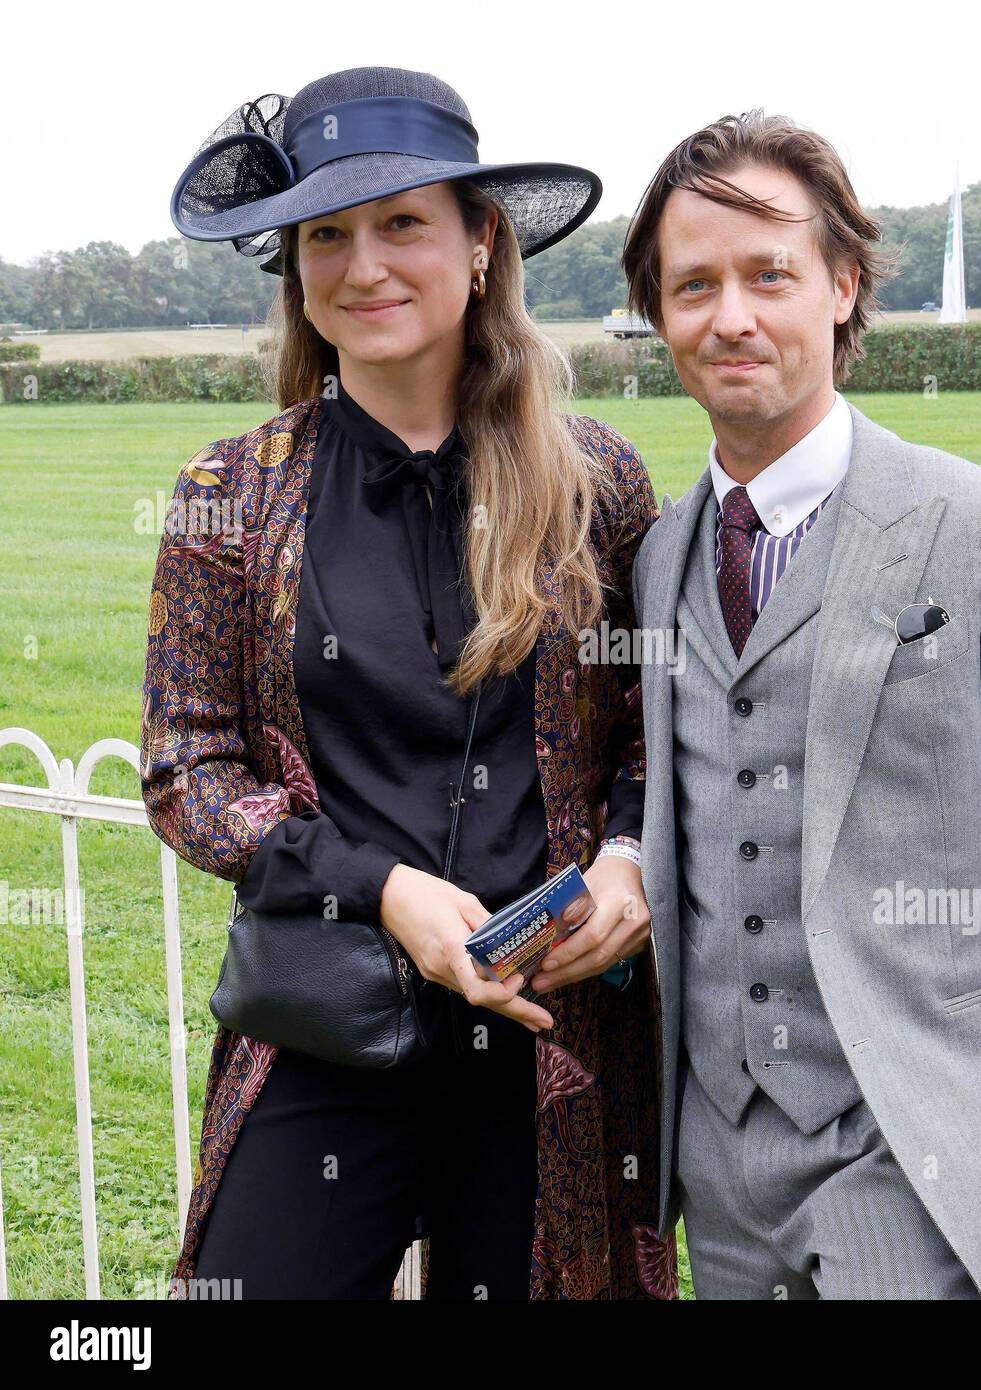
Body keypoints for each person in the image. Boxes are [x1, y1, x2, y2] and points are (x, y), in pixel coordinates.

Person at [610, 109, 981, 1300]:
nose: (731, 316)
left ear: (843, 284)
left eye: (770, 275)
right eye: (693, 284)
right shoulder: (657, 557)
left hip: (918, 1148)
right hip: (718, 1163)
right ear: (658, 312)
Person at [141, 65, 676, 1300]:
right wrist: (383, 891)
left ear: (481, 244)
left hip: (552, 1030)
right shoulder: (232, 495)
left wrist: (626, 860)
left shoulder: (599, 483)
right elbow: (186, 771)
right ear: (294, 268)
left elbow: (656, 728)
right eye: (326, 234)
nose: (363, 265)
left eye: (401, 223)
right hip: (328, 1018)